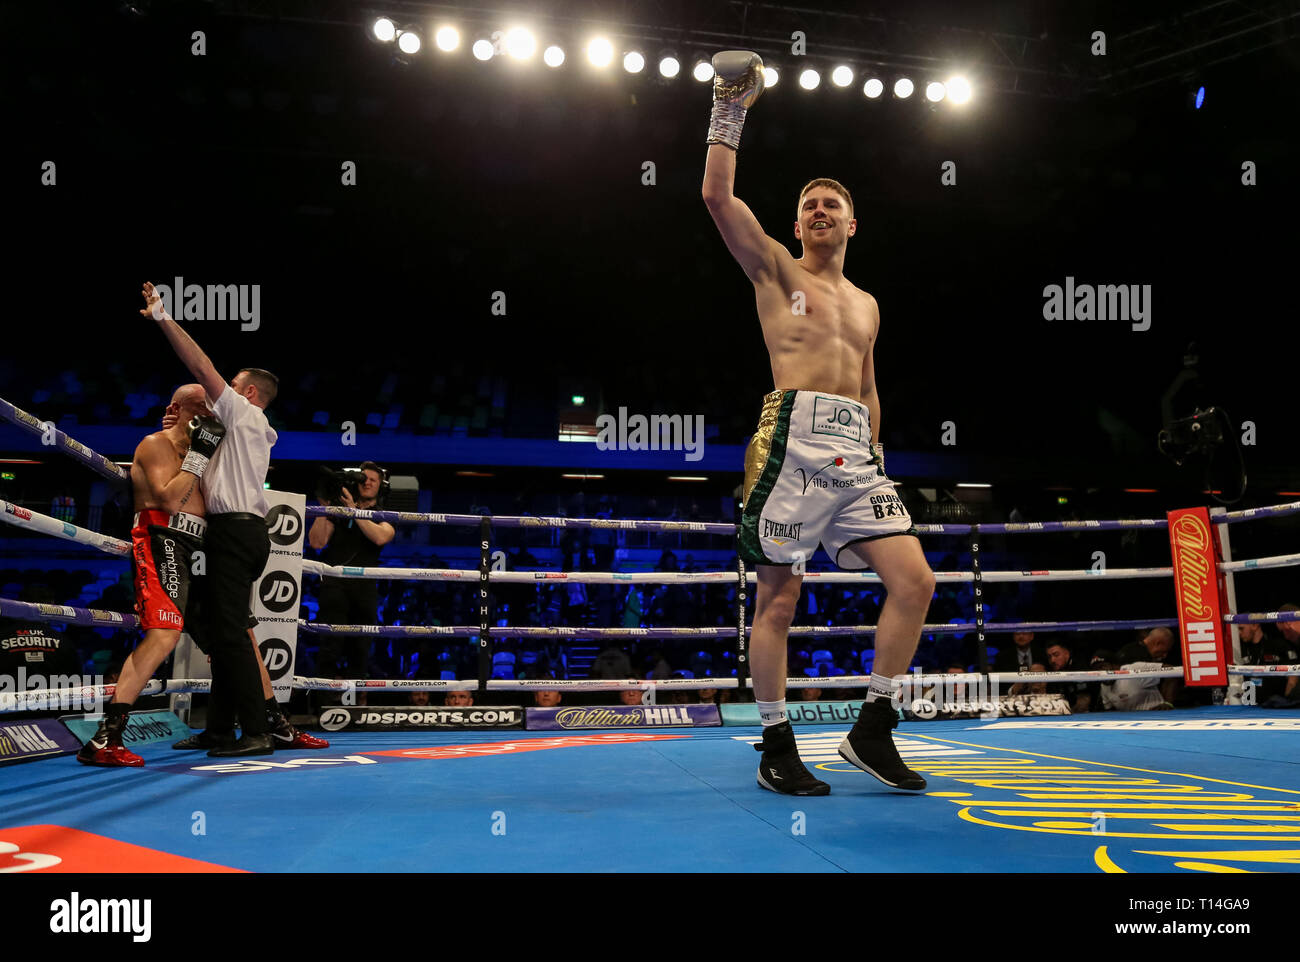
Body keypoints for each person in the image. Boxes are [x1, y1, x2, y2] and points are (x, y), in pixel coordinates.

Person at [703, 51, 935, 795]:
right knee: (779, 596)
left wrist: (876, 449)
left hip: (855, 447)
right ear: (796, 223)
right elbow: (714, 195)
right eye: (809, 205)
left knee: (916, 580)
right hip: (792, 437)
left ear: (852, 223)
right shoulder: (775, 269)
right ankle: (775, 742)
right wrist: (729, 104)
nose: (819, 211)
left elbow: (869, 385)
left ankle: (872, 728)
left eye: (832, 205)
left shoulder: (868, 303)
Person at [143, 280, 281, 756]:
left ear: (246, 392)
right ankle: (222, 730)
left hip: (235, 532)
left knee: (231, 636)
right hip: (237, 533)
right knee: (224, 633)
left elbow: (199, 364)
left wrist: (164, 317)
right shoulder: (241, 431)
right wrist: (179, 429)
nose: (213, 399)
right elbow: (200, 469)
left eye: (222, 391)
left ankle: (258, 732)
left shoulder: (242, 412)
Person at [78, 384, 218, 766]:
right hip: (161, 538)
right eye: (201, 408)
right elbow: (170, 498)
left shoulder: (203, 452)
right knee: (164, 634)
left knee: (227, 637)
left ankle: (223, 726)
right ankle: (105, 739)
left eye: (213, 410)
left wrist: (202, 450)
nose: (209, 415)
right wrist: (200, 452)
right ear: (177, 408)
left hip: (200, 547)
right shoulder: (155, 444)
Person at [308, 462, 395, 683]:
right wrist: (325, 507)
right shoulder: (338, 510)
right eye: (363, 478)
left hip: (364, 587)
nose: (367, 482)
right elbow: (317, 542)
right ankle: (323, 708)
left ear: (380, 487)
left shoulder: (382, 514)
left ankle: (353, 708)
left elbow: (381, 537)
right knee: (329, 647)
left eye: (373, 480)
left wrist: (354, 512)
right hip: (335, 584)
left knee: (360, 650)